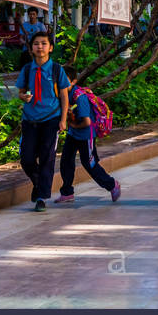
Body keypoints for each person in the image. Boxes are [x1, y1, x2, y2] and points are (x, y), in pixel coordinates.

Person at [15, 30, 69, 212]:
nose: (40, 47)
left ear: (50, 48)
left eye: (44, 43)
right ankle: (38, 183)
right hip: (30, 119)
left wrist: (63, 120)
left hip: (51, 119)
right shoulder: (27, 69)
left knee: (47, 158)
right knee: (26, 159)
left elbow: (64, 96)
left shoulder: (56, 69)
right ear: (31, 48)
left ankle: (42, 197)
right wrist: (24, 97)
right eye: (36, 44)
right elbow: (20, 92)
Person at [57, 79, 121, 204]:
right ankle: (67, 192)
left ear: (74, 81)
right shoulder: (64, 93)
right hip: (73, 134)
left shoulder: (80, 98)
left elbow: (87, 122)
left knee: (89, 164)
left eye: (65, 80)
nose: (62, 83)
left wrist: (73, 125)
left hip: (86, 135)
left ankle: (112, 185)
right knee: (66, 161)